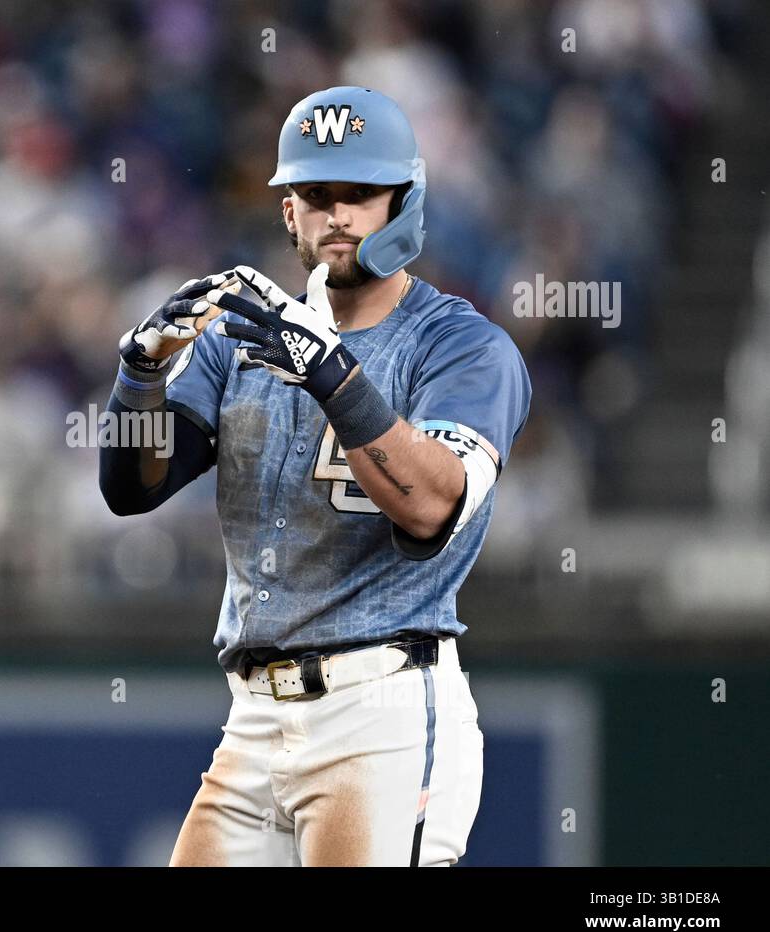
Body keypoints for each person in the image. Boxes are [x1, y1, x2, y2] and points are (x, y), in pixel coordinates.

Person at [99, 87, 532, 866]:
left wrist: (333, 376)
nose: (338, 214)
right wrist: (138, 376)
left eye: (360, 194)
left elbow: (433, 507)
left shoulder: (461, 346)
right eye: (316, 194)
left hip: (382, 704)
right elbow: (133, 490)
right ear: (288, 210)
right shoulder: (244, 339)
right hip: (254, 718)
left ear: (404, 200)